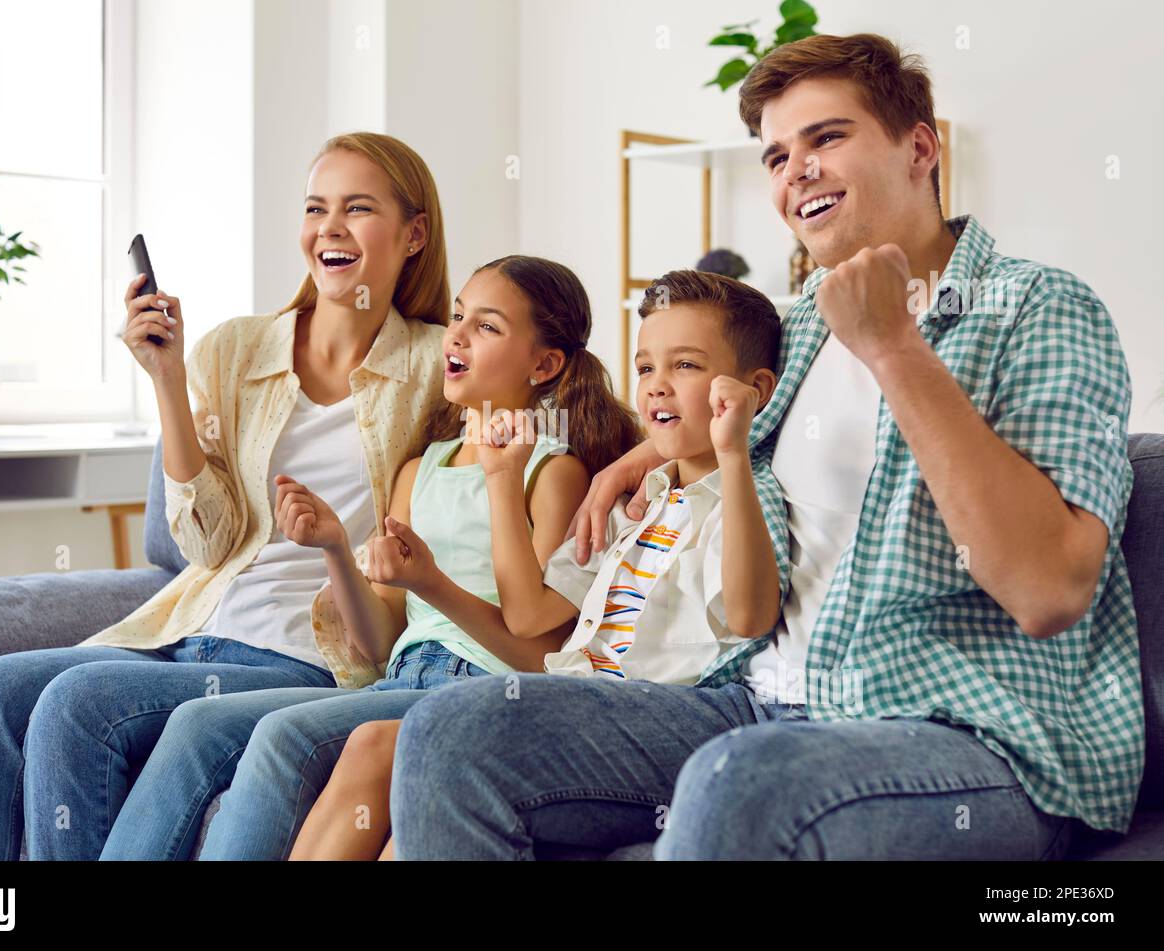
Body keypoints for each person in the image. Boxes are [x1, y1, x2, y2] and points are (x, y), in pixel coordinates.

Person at [388, 33, 1142, 861]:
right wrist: (639, 456)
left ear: (920, 147)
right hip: (755, 705)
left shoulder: (1038, 309)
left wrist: (895, 347)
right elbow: (717, 416)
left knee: (739, 780)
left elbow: (1050, 588)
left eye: (827, 138)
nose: (797, 172)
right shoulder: (806, 324)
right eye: (778, 155)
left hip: (966, 732)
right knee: (453, 732)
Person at [0, 131, 453, 861]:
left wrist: (626, 467)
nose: (328, 227)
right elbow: (205, 543)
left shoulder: (438, 363)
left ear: (414, 232)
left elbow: (561, 394)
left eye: (357, 208)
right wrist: (168, 380)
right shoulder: (234, 350)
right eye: (315, 207)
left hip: (302, 657)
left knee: (78, 708)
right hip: (189, 630)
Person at [98, 255, 642, 860]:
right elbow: (382, 643)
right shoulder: (420, 469)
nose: (456, 335)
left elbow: (542, 650)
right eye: (458, 316)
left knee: (283, 737)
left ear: (545, 364)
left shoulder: (552, 471)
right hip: (400, 677)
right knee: (200, 725)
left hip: (481, 690)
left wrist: (435, 573)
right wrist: (335, 547)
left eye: (487, 327)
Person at [289, 268, 784, 860]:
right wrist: (502, 478)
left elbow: (752, 615)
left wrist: (731, 454)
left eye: (685, 366)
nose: (655, 386)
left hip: (647, 711)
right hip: (575, 693)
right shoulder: (630, 507)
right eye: (646, 366)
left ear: (753, 390)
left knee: (432, 746)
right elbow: (528, 618)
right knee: (376, 746)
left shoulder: (747, 496)